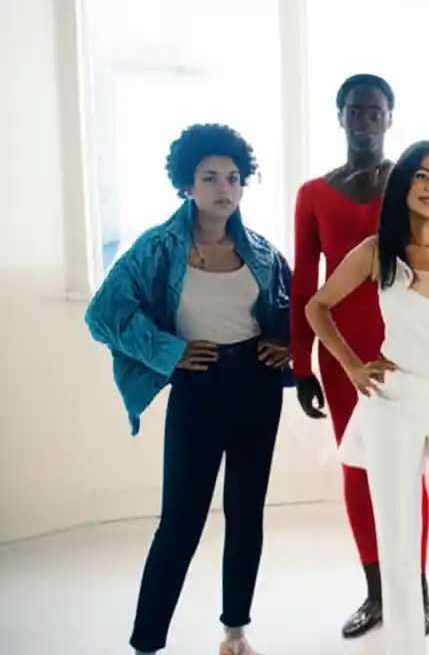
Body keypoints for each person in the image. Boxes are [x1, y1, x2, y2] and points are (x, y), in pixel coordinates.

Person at [85, 124, 292, 655]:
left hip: (256, 389)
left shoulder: (263, 253)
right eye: (209, 178)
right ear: (186, 185)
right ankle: (147, 643)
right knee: (180, 522)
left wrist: (284, 344)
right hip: (198, 389)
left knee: (247, 515)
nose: (224, 188)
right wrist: (168, 352)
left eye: (233, 178)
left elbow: (293, 312)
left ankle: (235, 633)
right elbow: (104, 314)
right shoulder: (157, 248)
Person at [306, 141, 429, 655]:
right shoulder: (376, 251)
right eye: (424, 177)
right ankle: (407, 644)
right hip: (396, 401)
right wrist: (350, 363)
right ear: (405, 183)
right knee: (398, 528)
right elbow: (317, 307)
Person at [291, 74, 429, 637]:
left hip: (405, 343)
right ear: (341, 116)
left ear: (390, 118)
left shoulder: (413, 184)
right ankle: (377, 591)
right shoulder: (313, 194)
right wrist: (304, 365)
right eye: (356, 110)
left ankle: (415, 591)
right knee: (358, 468)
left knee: (409, 471)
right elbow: (307, 282)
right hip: (341, 350)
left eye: (376, 111)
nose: (366, 120)